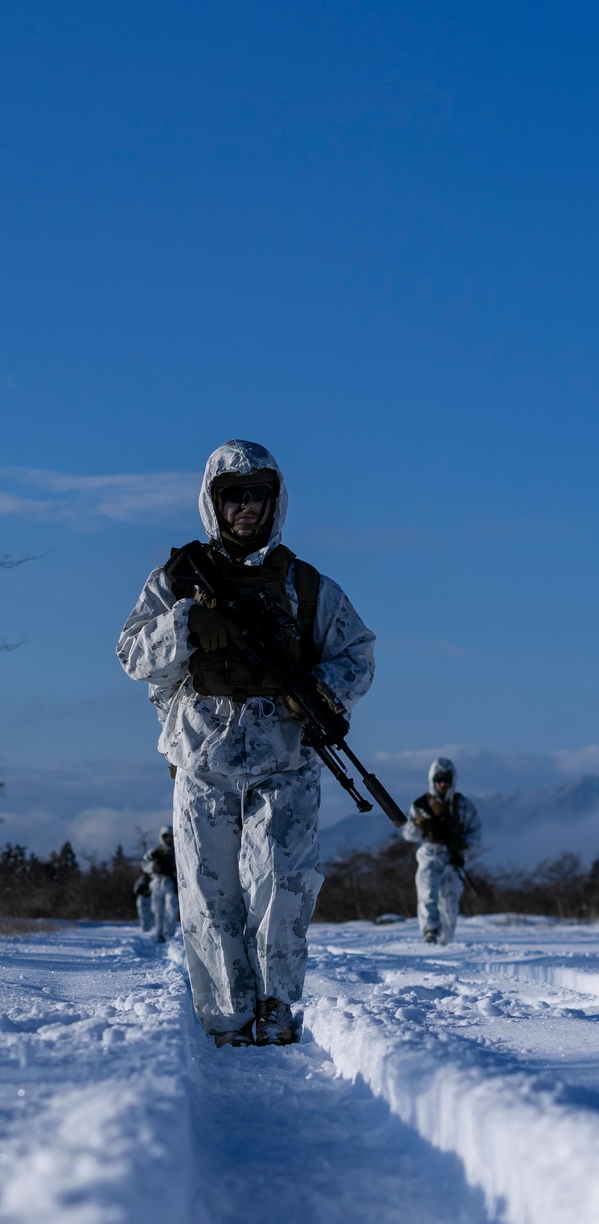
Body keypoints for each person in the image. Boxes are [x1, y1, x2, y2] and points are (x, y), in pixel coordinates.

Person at [117, 439, 375, 1047]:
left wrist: (321, 691)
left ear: (276, 501)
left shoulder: (306, 586)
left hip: (286, 761)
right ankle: (226, 1018)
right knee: (209, 896)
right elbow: (132, 654)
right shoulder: (175, 582)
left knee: (282, 884)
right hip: (201, 760)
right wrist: (187, 624)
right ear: (213, 503)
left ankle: (277, 1005)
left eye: (258, 495)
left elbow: (357, 655)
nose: (247, 507)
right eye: (233, 496)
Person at [403, 757, 481, 945]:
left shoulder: (463, 805)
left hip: (453, 859)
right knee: (427, 895)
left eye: (447, 779)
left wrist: (462, 845)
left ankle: (446, 940)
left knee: (450, 900)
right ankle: (430, 934)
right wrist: (418, 824)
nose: (443, 784)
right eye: (439, 779)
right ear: (432, 780)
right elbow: (409, 834)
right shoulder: (421, 805)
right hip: (429, 854)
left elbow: (475, 832)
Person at [142, 826, 179, 942]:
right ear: (162, 837)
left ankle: (169, 935)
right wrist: (152, 867)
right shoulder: (154, 852)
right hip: (156, 883)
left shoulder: (178, 851)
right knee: (157, 911)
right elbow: (144, 864)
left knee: (171, 908)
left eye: (171, 837)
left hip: (171, 883)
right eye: (166, 837)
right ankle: (159, 934)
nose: (169, 839)